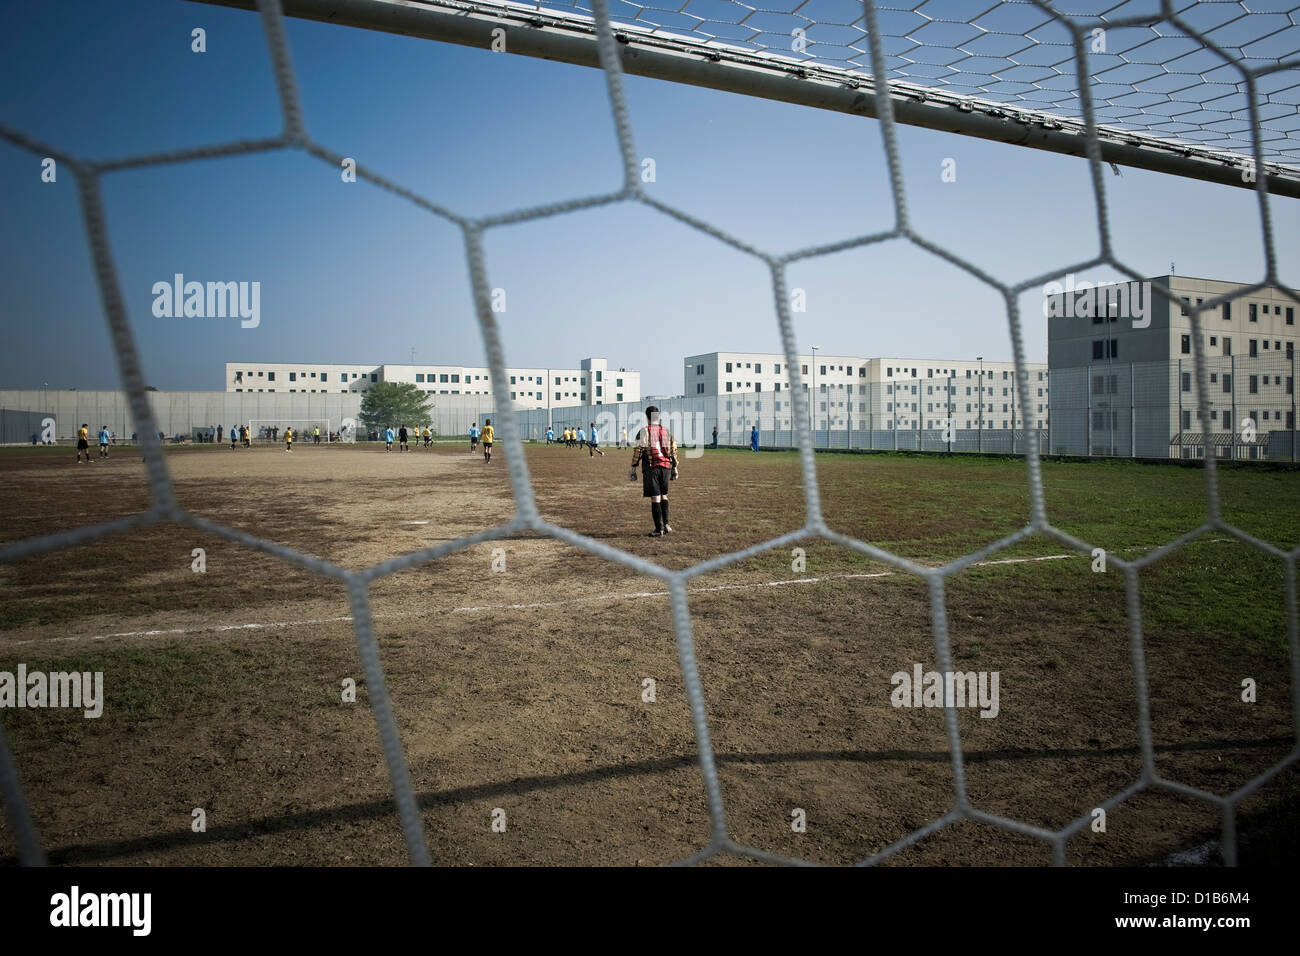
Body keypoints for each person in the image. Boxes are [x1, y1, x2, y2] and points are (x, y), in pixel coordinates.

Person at [630, 406, 678, 536]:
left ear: (646, 417)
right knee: (664, 495)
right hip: (666, 467)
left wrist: (633, 468)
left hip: (652, 467)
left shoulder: (644, 431)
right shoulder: (666, 431)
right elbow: (673, 450)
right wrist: (675, 467)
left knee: (655, 498)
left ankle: (658, 529)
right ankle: (666, 524)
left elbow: (638, 451)